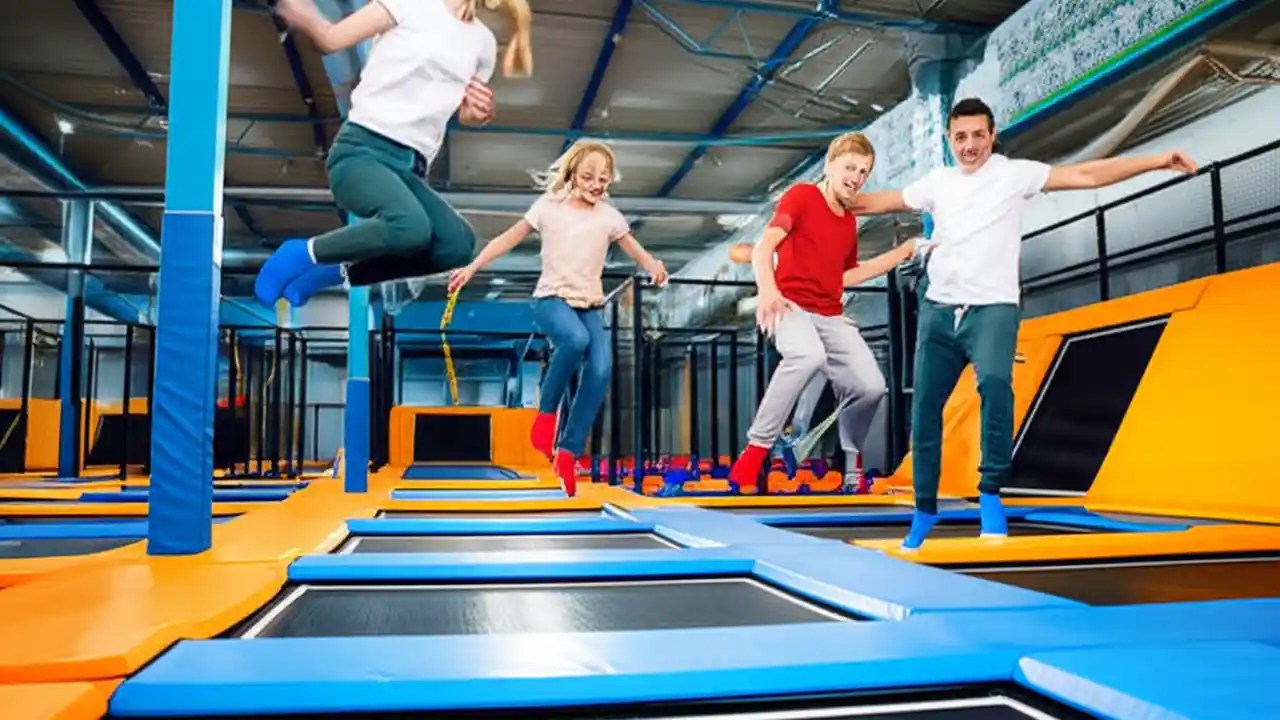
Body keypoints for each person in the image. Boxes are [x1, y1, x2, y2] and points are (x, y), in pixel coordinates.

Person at [849, 97, 1197, 550]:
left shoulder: (1015, 174)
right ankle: (924, 508)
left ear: (992, 136)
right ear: (949, 140)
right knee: (925, 408)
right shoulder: (939, 182)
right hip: (938, 308)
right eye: (960, 137)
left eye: (978, 135)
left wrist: (1156, 161)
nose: (969, 145)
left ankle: (990, 493)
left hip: (993, 307)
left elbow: (1086, 175)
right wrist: (828, 196)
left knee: (995, 384)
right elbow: (881, 202)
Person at [252, 0, 534, 309]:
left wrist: (478, 114)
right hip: (361, 151)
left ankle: (335, 273)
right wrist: (303, 14)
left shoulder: (483, 43)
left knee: (457, 246)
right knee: (410, 227)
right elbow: (330, 40)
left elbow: (466, 112)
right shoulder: (408, 4)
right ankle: (301, 252)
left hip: (410, 169)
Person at [448, 140, 669, 496]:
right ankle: (546, 415)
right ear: (572, 175)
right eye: (588, 177)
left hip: (590, 305)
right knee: (575, 340)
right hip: (551, 301)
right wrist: (473, 267)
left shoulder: (610, 216)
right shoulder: (548, 207)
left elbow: (638, 252)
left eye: (604, 179)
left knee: (600, 369)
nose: (597, 185)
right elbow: (508, 238)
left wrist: (654, 266)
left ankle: (567, 451)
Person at [728, 132, 915, 492]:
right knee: (807, 353)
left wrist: (902, 252)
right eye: (850, 168)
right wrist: (768, 290)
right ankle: (754, 453)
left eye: (863, 172)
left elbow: (847, 275)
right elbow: (764, 247)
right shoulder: (803, 196)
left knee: (873, 387)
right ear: (829, 166)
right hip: (789, 304)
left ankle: (850, 454)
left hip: (829, 314)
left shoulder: (847, 222)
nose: (856, 177)